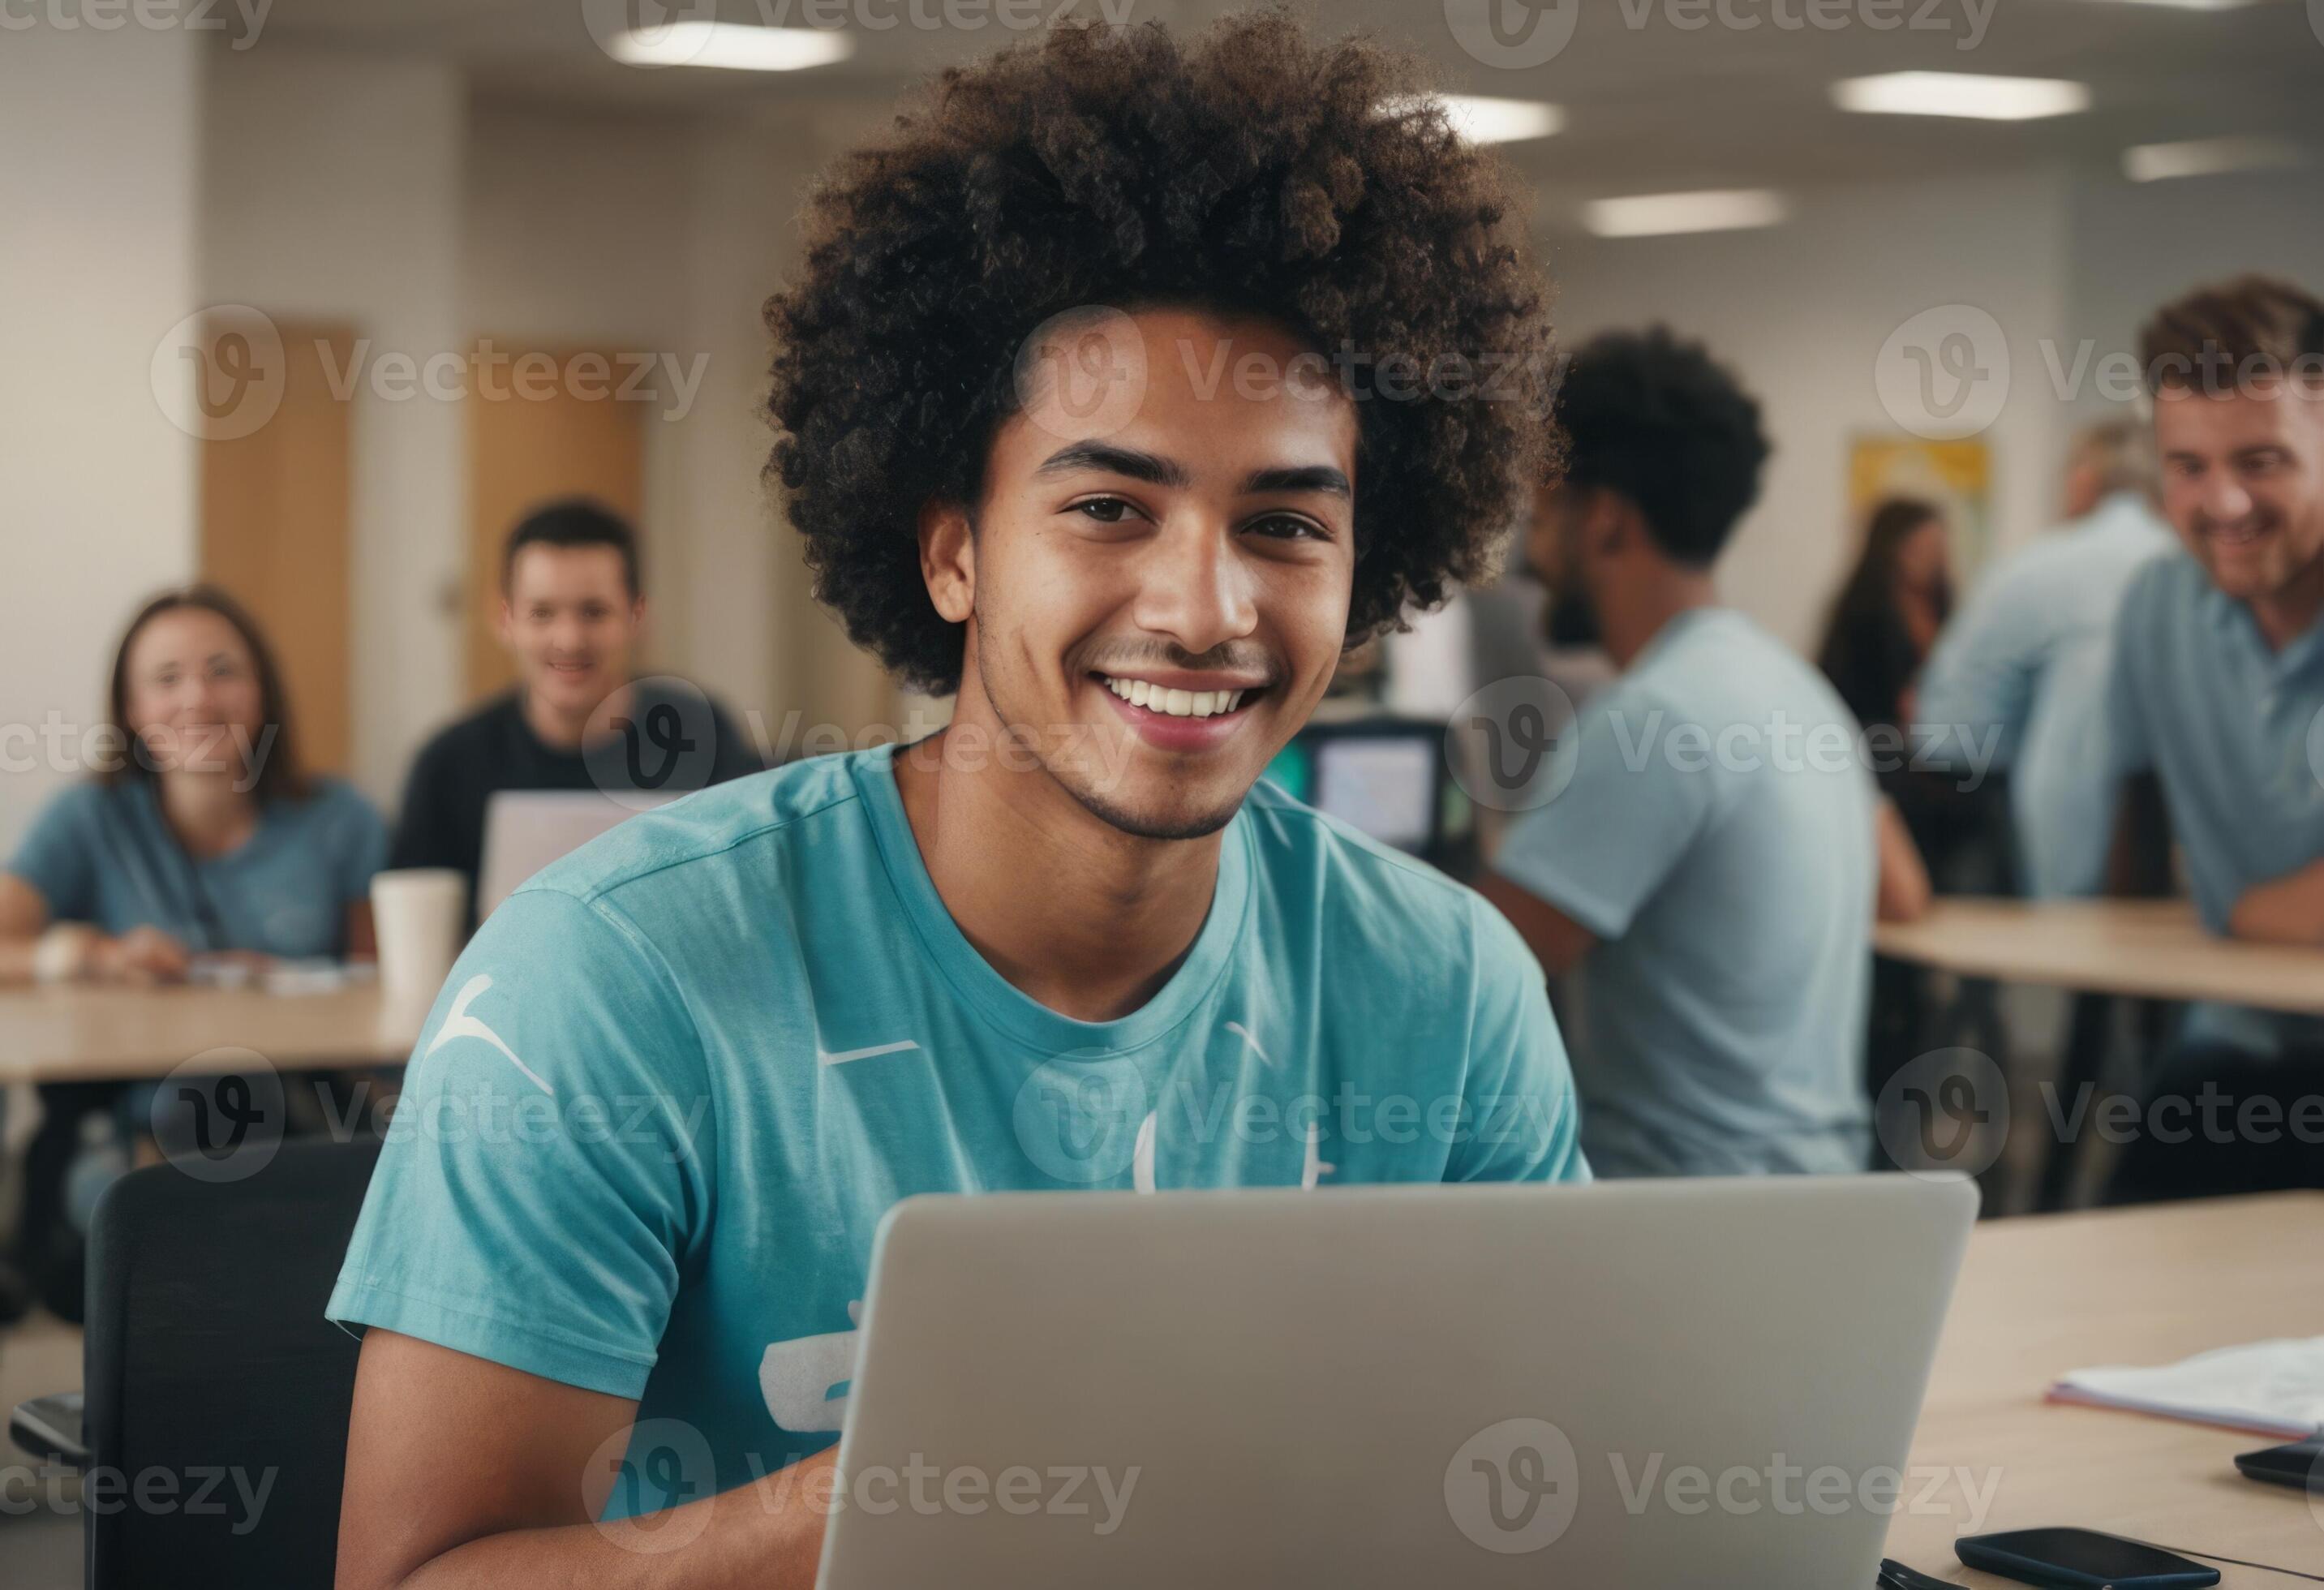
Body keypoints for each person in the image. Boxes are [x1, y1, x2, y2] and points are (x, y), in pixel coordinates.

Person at [329, 17, 1586, 1586]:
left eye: (1283, 524)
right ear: (952, 551)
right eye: (1110, 508)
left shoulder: (1448, 993)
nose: (1206, 609)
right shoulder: (615, 975)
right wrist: (950, 1483)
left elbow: (1539, 1512)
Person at [1476, 327, 1876, 1179]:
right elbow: (1905, 886)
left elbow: (1472, 977)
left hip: (1680, 1219)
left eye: (1543, 516)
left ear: (1607, 522)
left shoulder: (1651, 721)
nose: (1533, 556)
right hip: (1818, 1194)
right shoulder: (1796, 691)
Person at [0, 586, 388, 1312]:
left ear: (264, 689)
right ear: (131, 711)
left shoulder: (340, 819)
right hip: (140, 1125)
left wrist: (297, 979)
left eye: (222, 671)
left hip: (304, 1115)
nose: (198, 699)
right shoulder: (91, 818)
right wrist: (92, 954)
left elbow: (381, 985)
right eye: (167, 679)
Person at [2098, 276, 2324, 1201]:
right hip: (2235, 1050)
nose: (2222, 503)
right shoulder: (2159, 606)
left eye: (2262, 461)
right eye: (2188, 466)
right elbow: (2132, 814)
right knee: (2102, 1293)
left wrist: (2239, 909)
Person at [388, 499, 762, 926]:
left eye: (594, 612)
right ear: (505, 619)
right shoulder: (448, 763)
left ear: (637, 617)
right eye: (542, 613)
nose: (568, 639)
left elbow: (743, 902)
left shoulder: (698, 733)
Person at [1914, 420, 2176, 898]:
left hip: (2011, 835)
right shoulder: (2189, 565)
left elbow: (1944, 733)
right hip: (2165, 852)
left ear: (2084, 479)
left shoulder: (2029, 569)